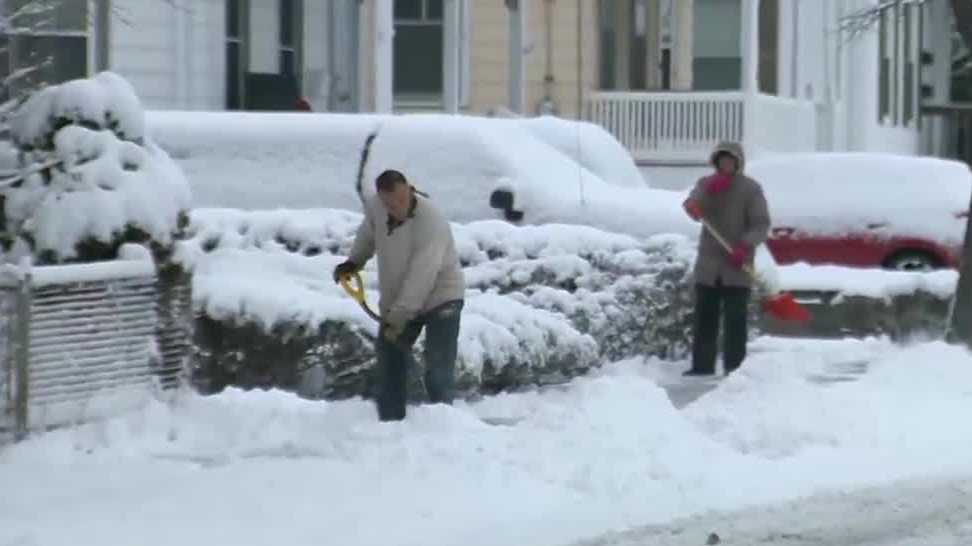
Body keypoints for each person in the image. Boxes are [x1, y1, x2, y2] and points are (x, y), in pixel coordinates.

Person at [333, 169, 465, 421]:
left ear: (409, 189)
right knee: (389, 358)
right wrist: (353, 262)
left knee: (438, 368)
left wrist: (399, 316)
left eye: (402, 200)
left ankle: (445, 426)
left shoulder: (431, 221)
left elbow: (422, 276)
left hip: (442, 296)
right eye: (391, 204)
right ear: (381, 200)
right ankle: (390, 423)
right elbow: (367, 235)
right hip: (402, 298)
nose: (398, 207)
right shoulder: (377, 208)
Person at [681, 141, 770, 376]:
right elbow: (693, 202)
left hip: (737, 265)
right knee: (705, 317)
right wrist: (694, 204)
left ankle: (734, 366)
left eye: (730, 160)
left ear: (738, 162)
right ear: (716, 161)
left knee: (735, 320)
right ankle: (702, 365)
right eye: (722, 160)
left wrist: (745, 245)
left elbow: (761, 225)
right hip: (709, 265)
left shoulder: (751, 189)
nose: (726, 164)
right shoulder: (706, 184)